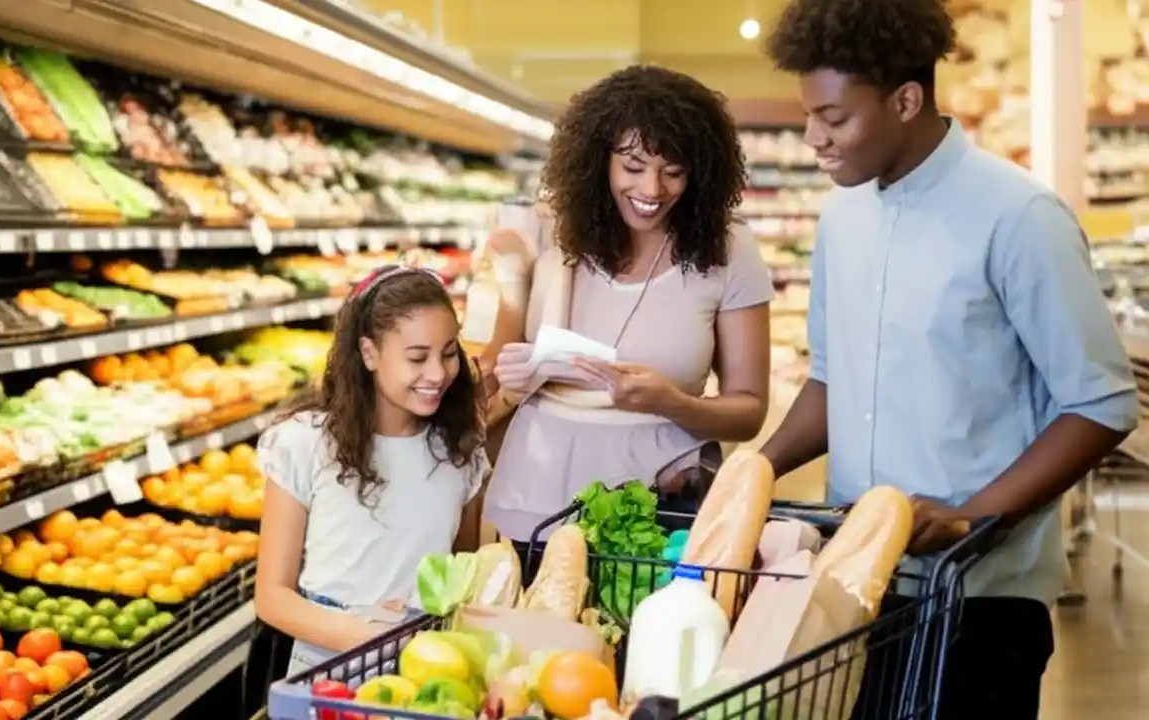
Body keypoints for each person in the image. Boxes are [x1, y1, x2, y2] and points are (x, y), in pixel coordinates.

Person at [759, 0, 1138, 715]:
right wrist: (756, 467)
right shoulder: (843, 217)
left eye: (834, 119)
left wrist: (971, 516)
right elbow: (831, 378)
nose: (813, 137)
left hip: (980, 603)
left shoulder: (1018, 217)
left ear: (906, 100)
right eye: (810, 116)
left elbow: (1100, 403)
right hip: (852, 587)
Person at [479, 65, 776, 564]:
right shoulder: (548, 236)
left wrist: (670, 402)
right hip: (543, 496)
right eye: (633, 166)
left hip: (665, 502)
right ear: (599, 160)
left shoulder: (728, 250)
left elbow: (748, 411)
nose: (653, 189)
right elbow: (490, 359)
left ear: (700, 171)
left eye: (673, 171)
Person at [254, 264, 489, 674]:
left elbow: (460, 573)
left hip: (425, 666)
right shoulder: (304, 443)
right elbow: (272, 597)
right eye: (417, 357)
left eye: (449, 353)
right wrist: (369, 638)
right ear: (369, 353)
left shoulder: (458, 453)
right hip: (325, 664)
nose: (437, 373)